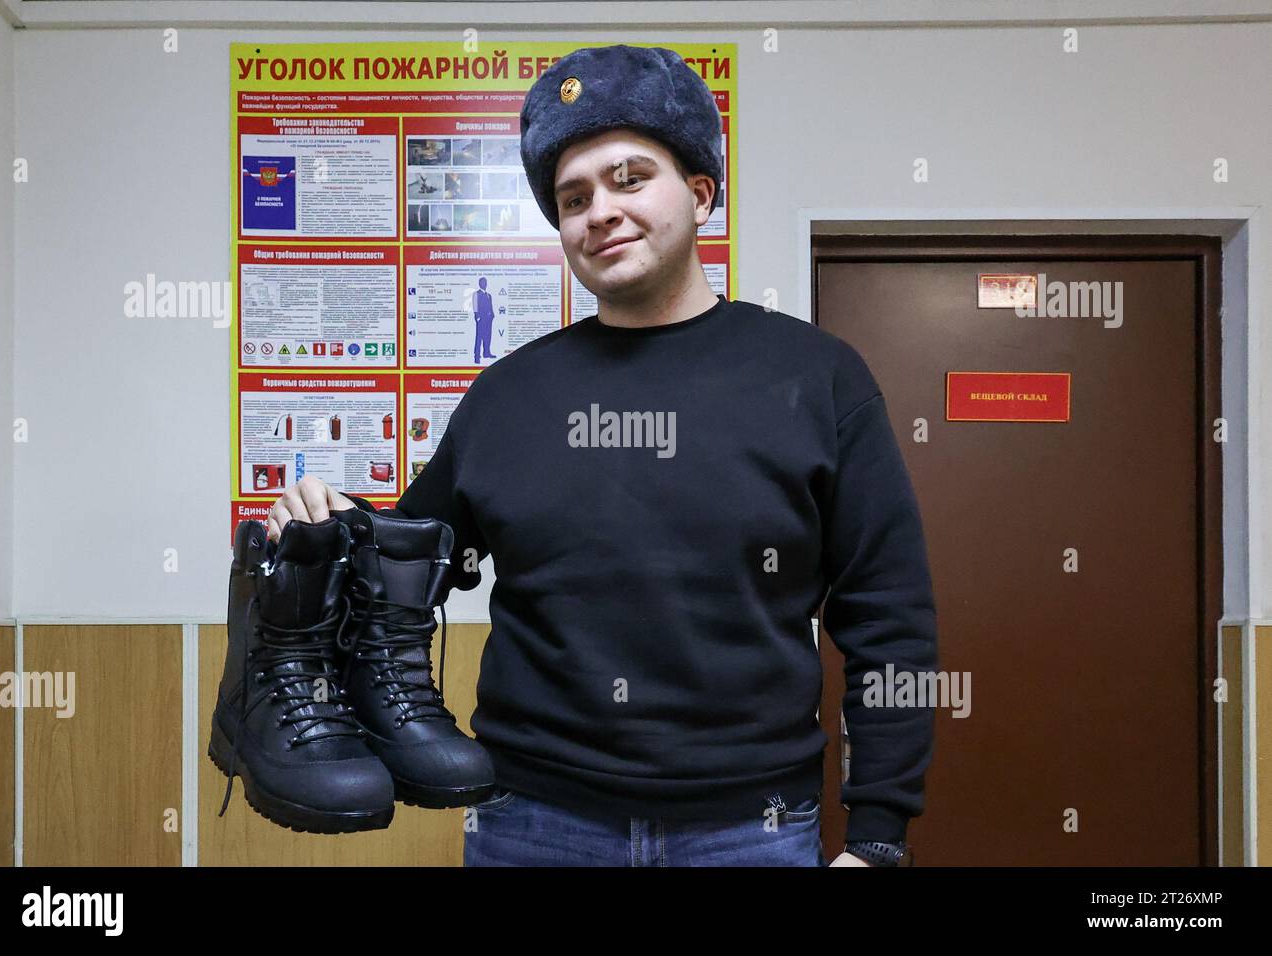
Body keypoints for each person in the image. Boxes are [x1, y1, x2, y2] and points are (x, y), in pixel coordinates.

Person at [267, 44, 938, 867]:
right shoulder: (509, 398)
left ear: (699, 193)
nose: (599, 212)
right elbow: (408, 559)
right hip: (531, 822)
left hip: (749, 830)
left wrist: (876, 835)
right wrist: (328, 527)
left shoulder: (818, 379)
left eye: (630, 179)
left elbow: (889, 614)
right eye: (573, 197)